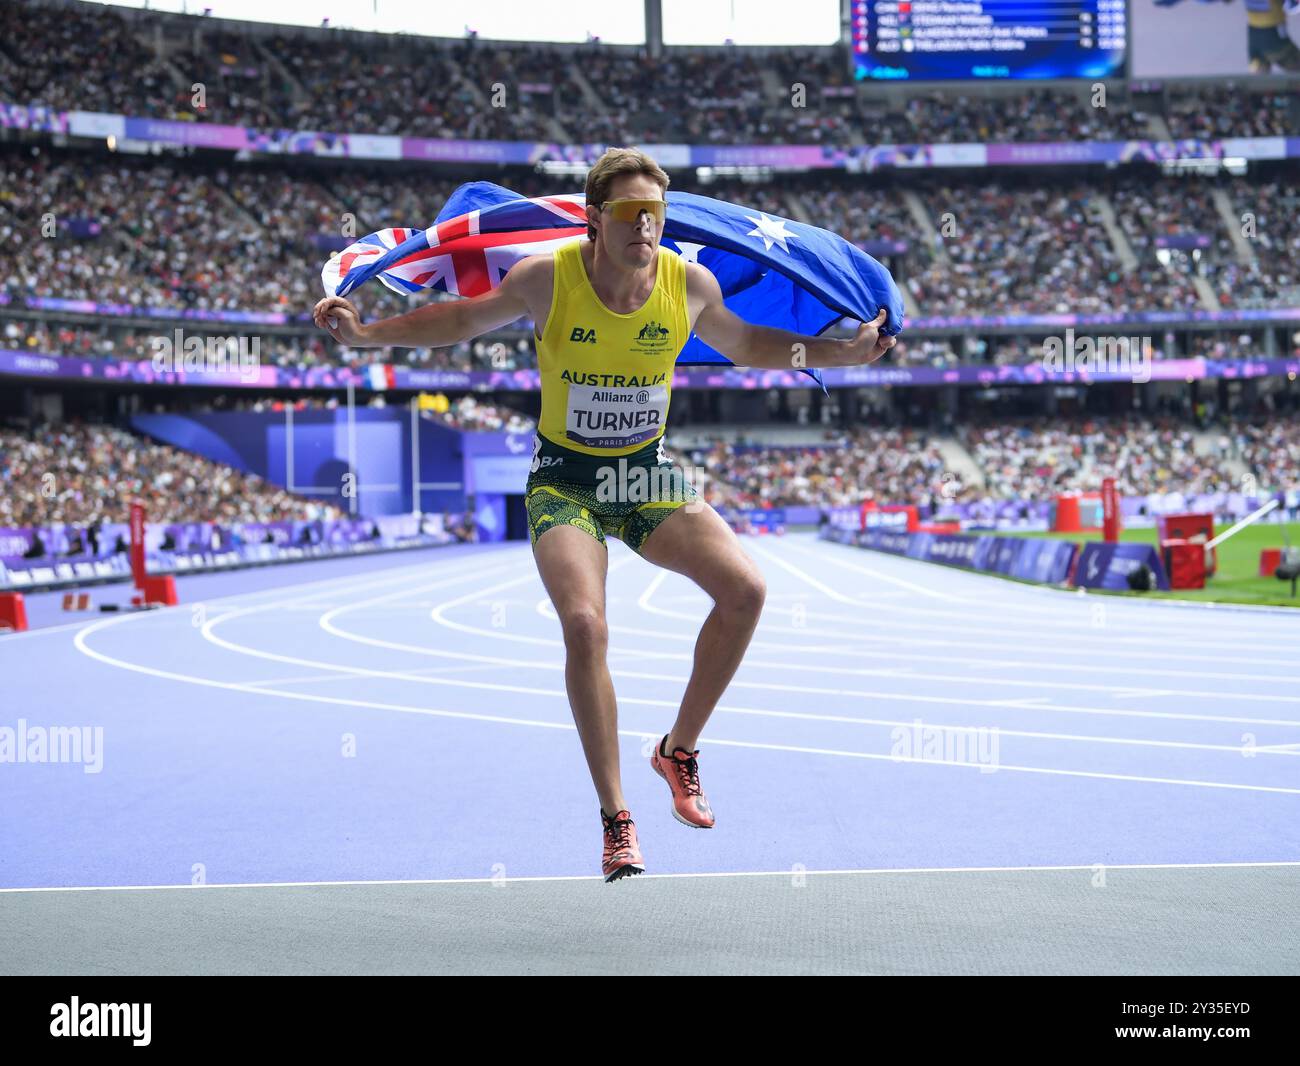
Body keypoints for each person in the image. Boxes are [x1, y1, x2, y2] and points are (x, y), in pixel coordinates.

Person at [313, 147, 895, 882]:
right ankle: (617, 818)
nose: (645, 227)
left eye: (655, 214)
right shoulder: (547, 278)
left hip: (642, 475)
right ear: (594, 219)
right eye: (628, 214)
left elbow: (748, 343)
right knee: (586, 626)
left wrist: (842, 356)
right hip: (567, 477)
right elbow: (458, 320)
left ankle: (678, 750)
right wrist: (367, 337)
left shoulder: (689, 282)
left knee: (746, 592)